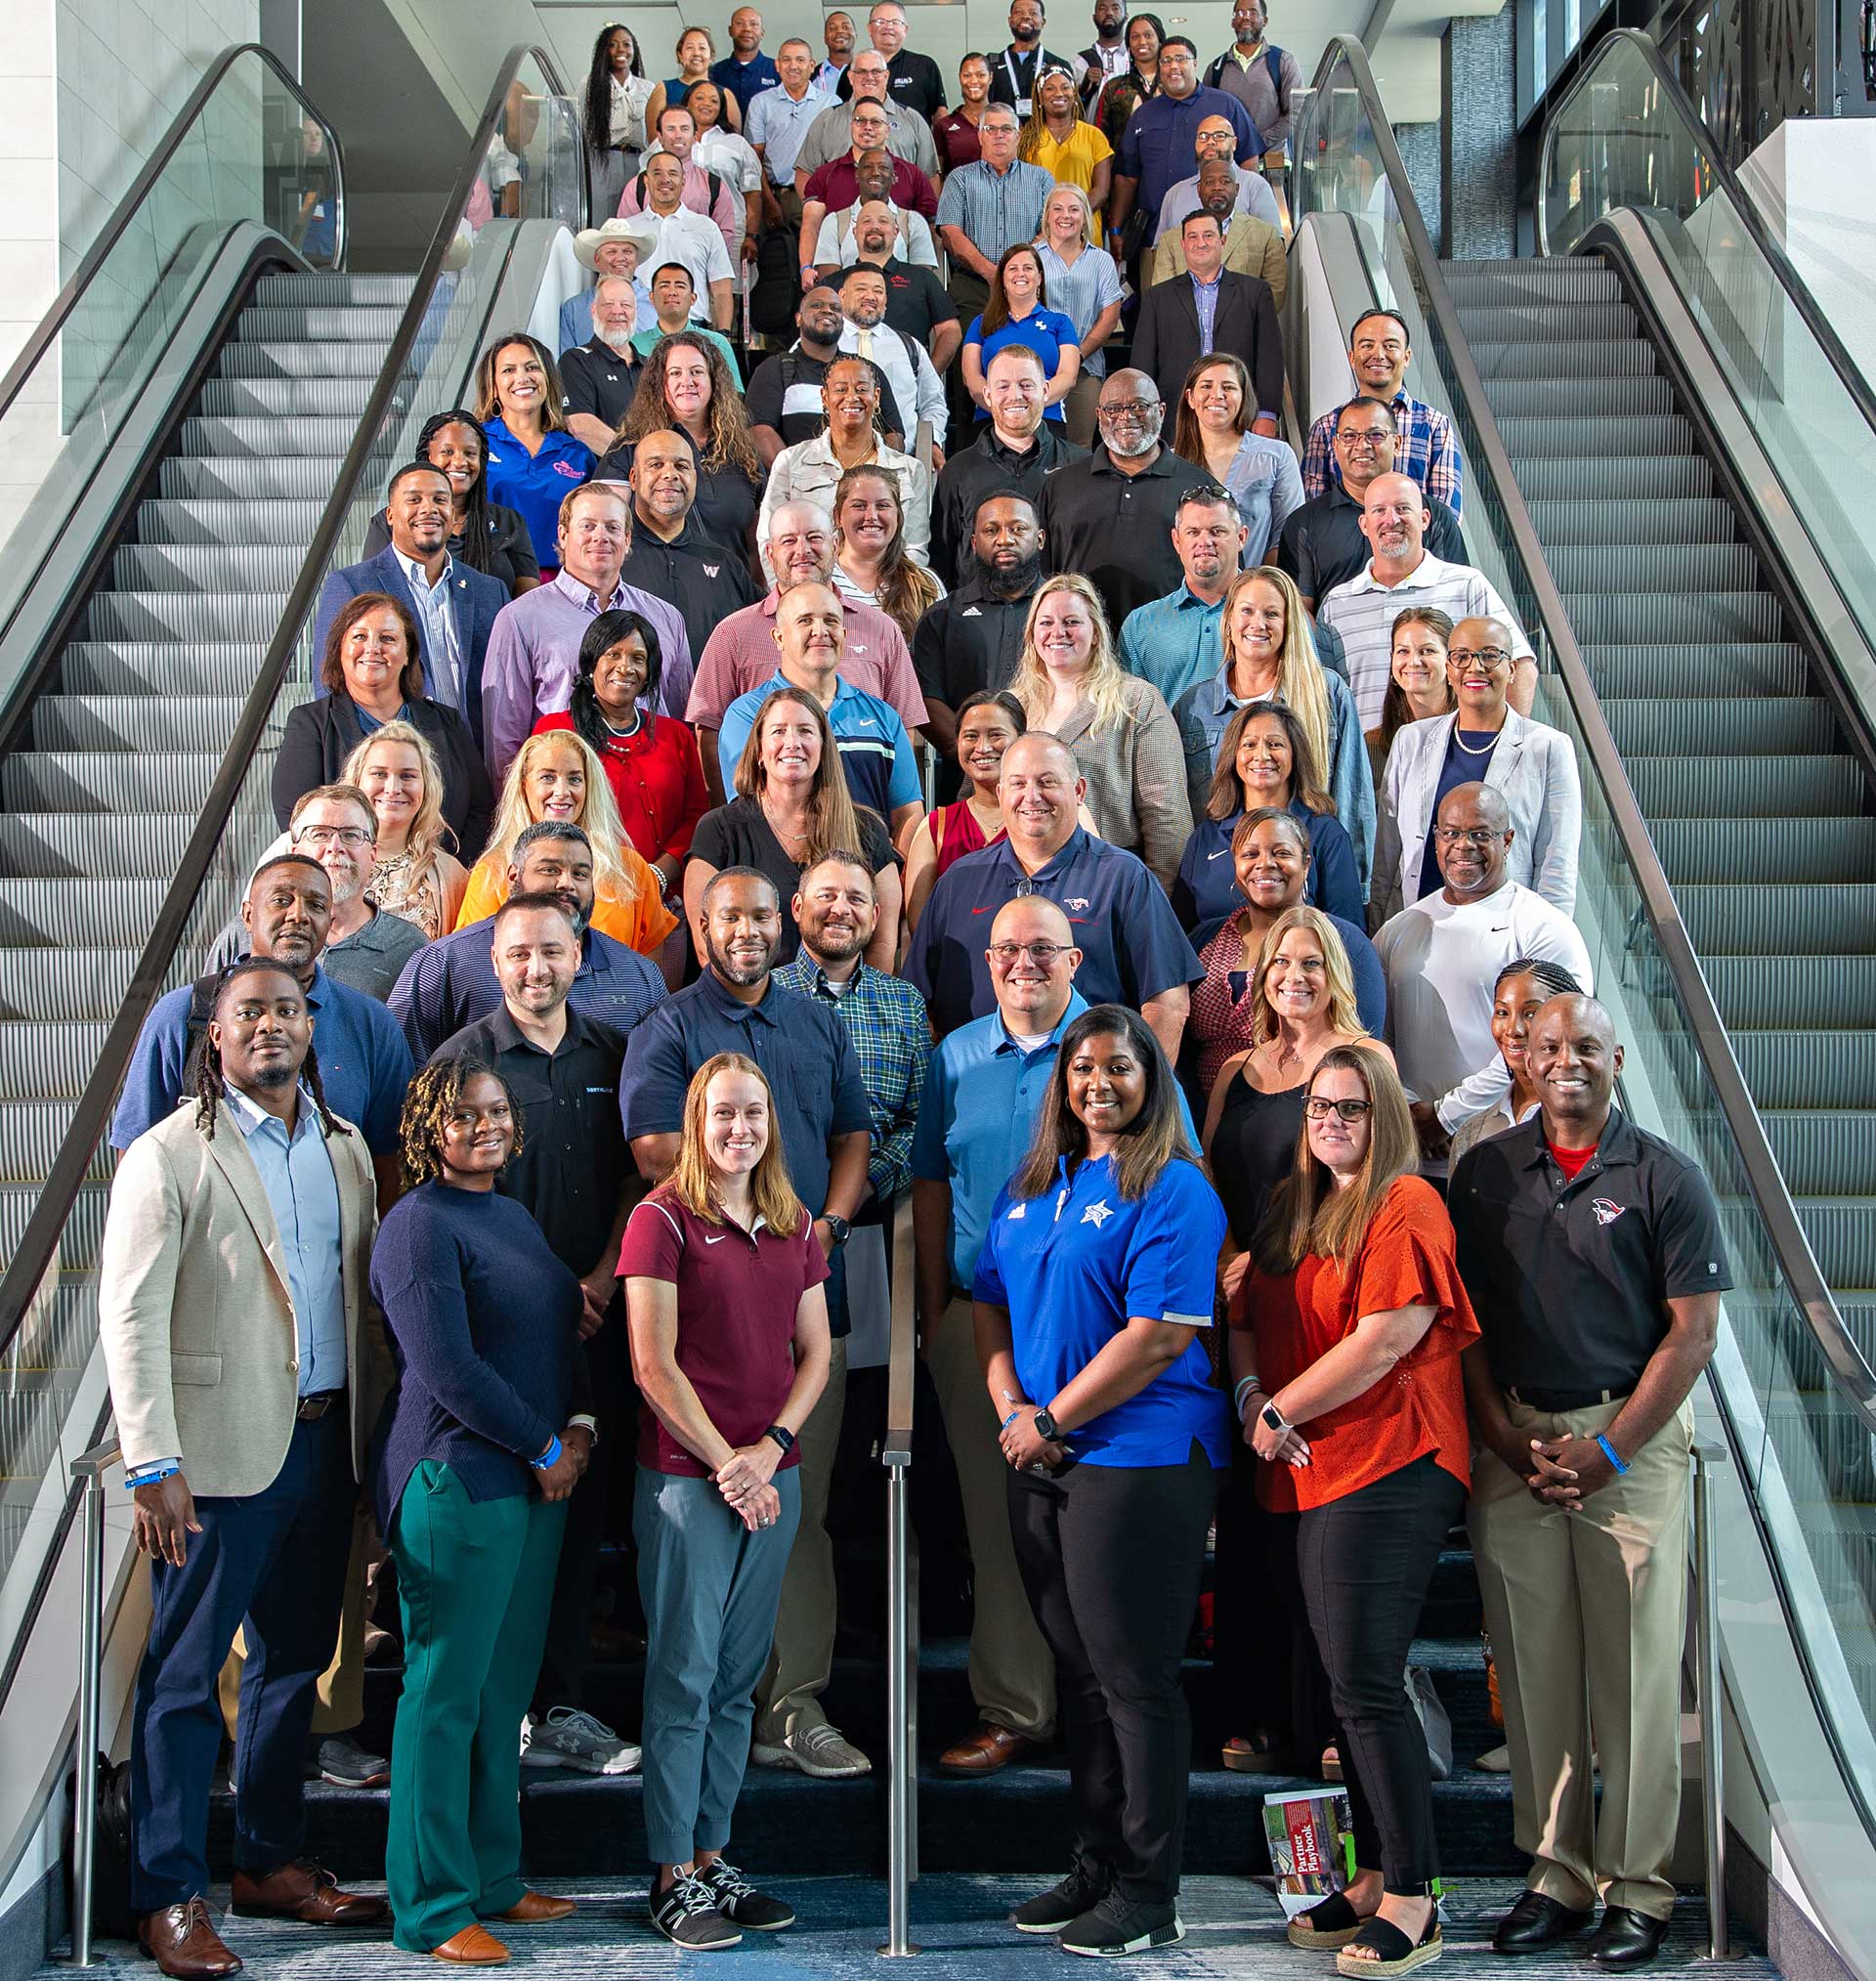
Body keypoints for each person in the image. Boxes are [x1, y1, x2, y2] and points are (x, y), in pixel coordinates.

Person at [101, 960, 389, 1979]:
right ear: (214, 1036)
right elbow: (128, 1312)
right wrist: (154, 1460)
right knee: (184, 1680)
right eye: (247, 1012)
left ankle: (264, 1859)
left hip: (324, 1438)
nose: (269, 1025)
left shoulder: (347, 1147)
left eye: (286, 1010)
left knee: (292, 1662)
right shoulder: (169, 1152)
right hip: (214, 1456)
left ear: (313, 1027)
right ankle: (167, 1893)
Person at [1451, 995, 1728, 1970]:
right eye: (1550, 1045)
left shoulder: (1666, 1176)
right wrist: (1497, 1430)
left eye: (1588, 1048)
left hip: (1631, 1440)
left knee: (1637, 1675)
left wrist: (1608, 1449)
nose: (1567, 1061)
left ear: (1618, 1058)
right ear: (1523, 1056)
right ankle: (1556, 1872)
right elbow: (1464, 1321)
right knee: (1533, 1670)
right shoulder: (1482, 1172)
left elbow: (1692, 1332)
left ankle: (1639, 1887)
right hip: (1517, 1442)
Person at [974, 1003, 1227, 1958]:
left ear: (1150, 1079)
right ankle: (1096, 1861)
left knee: (1134, 1679)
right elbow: (987, 1305)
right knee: (1080, 1677)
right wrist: (1010, 1407)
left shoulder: (1173, 1187)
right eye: (1083, 1070)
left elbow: (1160, 1334)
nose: (1098, 1084)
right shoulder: (1031, 1182)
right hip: (1039, 1454)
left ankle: (1148, 1888)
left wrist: (1051, 1418)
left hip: (1140, 1459)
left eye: (1120, 1068)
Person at [619, 867, 873, 1777]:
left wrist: (826, 1226)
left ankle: (792, 1703)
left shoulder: (816, 1021)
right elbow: (654, 1148)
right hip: (701, 1320)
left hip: (804, 1303)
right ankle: (696, 1760)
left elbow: (853, 1134)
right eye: (731, 916)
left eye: (765, 916)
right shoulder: (669, 1028)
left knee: (795, 1517)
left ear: (787, 922)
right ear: (699, 922)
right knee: (706, 1523)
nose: (749, 931)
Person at [1233, 1044, 1476, 1979]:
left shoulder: (1406, 1202)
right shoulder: (1296, 1202)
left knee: (1368, 1680)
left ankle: (1418, 1895)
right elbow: (1249, 1309)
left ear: (1385, 1116)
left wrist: (1283, 1408)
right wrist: (1256, 1393)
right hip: (1304, 1461)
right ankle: (1374, 1873)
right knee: (1341, 1685)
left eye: (1352, 1108)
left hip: (1391, 1457)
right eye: (1320, 1108)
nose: (1332, 1121)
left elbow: (1388, 1339)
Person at [369, 1055, 591, 1961]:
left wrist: (575, 1424)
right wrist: (544, 1445)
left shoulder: (511, 1215)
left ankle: (493, 1874)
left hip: (535, 1486)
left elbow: (559, 1326)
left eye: (497, 1110)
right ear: (429, 1127)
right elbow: (448, 1367)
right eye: (463, 1114)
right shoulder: (416, 1226)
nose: (485, 1124)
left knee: (504, 1696)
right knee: (445, 1696)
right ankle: (429, 1905)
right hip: (456, 1480)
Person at [621, 1054, 830, 1948]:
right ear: (697, 1122)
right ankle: (671, 1871)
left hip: (769, 1476)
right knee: (685, 1677)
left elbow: (814, 1352)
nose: (739, 1129)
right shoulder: (660, 1219)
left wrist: (770, 1449)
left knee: (739, 1682)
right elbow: (652, 1363)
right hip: (687, 1478)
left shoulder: (795, 1222)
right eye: (722, 1115)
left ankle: (714, 1856)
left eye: (754, 1113)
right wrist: (727, 1464)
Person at [426, 892, 637, 1781]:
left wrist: (593, 1283)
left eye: (552, 951)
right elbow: (436, 1197)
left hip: (599, 1317)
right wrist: (546, 1294)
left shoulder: (616, 1051)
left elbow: (644, 1174)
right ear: (495, 959)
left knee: (580, 1514)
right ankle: (491, 1708)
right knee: (501, 1511)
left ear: (579, 955)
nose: (534, 968)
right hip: (498, 1336)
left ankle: (556, 1700)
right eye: (517, 954)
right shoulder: (461, 1060)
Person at [911, 896, 1081, 1777]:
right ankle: (1016, 1702)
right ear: (986, 961)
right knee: (996, 1515)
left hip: (1094, 1325)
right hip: (983, 1323)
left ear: (1074, 961)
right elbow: (932, 1185)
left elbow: (1178, 1170)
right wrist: (937, 1305)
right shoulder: (956, 1055)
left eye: (1043, 948)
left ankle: (1100, 1702)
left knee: (1093, 1521)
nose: (1024, 963)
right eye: (1008, 949)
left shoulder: (1113, 1046)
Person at [110, 856, 413, 1193]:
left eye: (315, 905)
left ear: (330, 920)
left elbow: (391, 1162)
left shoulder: (370, 1023)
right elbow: (138, 1154)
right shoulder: (183, 1014)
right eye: (281, 900)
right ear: (248, 915)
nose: (298, 915)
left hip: (331, 1239)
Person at [907, 732, 1201, 1052]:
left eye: (1047, 782)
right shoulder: (958, 881)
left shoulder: (1123, 877)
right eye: (1018, 784)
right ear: (1001, 792)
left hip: (1090, 1089)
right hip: (980, 1082)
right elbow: (916, 999)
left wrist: (1144, 1088)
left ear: (1079, 791)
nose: (1032, 797)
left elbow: (1167, 1001)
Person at [1373, 784, 1593, 1162]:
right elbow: (1377, 1036)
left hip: (1511, 1149)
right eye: (1452, 833)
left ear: (1507, 841)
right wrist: (1408, 1111)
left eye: (1480, 834)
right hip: (1410, 1146)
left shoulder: (1543, 927)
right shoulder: (1399, 929)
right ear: (1436, 840)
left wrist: (1448, 1115)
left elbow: (1550, 1046)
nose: (1464, 846)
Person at [688, 499, 926, 795]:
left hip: (868, 813)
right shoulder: (733, 633)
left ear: (836, 545)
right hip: (767, 815)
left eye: (814, 537)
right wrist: (731, 817)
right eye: (789, 541)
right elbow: (710, 732)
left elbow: (905, 727)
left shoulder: (881, 628)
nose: (803, 550)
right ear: (770, 554)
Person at [389, 822, 668, 1060]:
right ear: (513, 877)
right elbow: (398, 1072)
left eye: (580, 874)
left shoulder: (639, 977)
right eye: (550, 870)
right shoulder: (445, 963)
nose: (567, 883)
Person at [1372, 615, 1581, 924]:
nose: (1475, 667)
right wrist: (1379, 930)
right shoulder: (1411, 739)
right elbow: (1387, 856)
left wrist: (1546, 945)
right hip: (1418, 925)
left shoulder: (1548, 747)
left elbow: (1557, 865)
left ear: (1511, 669)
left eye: (1490, 655)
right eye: (1462, 656)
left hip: (1507, 931)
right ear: (1449, 670)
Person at [481, 482, 695, 783]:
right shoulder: (519, 619)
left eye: (612, 527)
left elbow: (680, 719)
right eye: (588, 526)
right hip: (563, 798)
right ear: (563, 535)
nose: (601, 536)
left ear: (628, 538)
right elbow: (503, 736)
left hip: (652, 794)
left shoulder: (666, 618)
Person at [1173, 565, 1374, 881]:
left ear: (1288, 623)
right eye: (1247, 611)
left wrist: (1354, 886)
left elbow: (1352, 800)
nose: (1258, 624)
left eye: (1271, 614)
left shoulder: (1327, 694)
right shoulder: (1193, 706)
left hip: (1310, 879)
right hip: (1219, 879)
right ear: (1229, 621)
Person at [687, 689, 901, 970]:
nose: (792, 743)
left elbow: (883, 942)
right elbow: (708, 948)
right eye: (778, 731)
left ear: (823, 748)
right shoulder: (719, 829)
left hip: (843, 1008)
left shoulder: (865, 829)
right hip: (748, 1006)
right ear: (759, 751)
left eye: (805, 731)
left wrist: (855, 1007)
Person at [277, 591, 494, 862]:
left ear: (407, 655)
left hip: (440, 881)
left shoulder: (446, 722)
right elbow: (297, 817)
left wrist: (445, 870)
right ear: (339, 650)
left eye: (388, 638)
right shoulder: (310, 723)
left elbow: (480, 808)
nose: (373, 648)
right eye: (359, 637)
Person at [1009, 573, 1191, 889]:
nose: (1058, 632)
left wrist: (1156, 900)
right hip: (1021, 884)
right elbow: (979, 801)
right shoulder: (1012, 707)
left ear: (1095, 633)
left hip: (1110, 884)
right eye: (1046, 623)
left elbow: (1166, 815)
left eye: (1071, 622)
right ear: (1031, 634)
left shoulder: (1136, 701)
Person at [1186, 809, 1385, 1095]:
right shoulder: (1205, 938)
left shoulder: (1344, 940)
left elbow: (1363, 1047)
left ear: (1306, 864)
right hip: (1202, 1114)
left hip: (1298, 1109)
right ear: (1235, 865)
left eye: (1281, 853)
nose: (1265, 864)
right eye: (1250, 854)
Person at [1317, 474, 1533, 731]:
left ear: (1424, 519)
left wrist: (1508, 746)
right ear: (1364, 524)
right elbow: (1323, 694)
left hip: (1453, 758)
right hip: (1367, 761)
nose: (1391, 520)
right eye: (1379, 511)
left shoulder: (1466, 585)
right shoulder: (1337, 603)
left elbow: (1519, 667)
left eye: (1403, 508)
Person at [315, 462, 510, 741]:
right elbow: (329, 682)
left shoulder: (491, 591)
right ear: (391, 515)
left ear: (453, 515)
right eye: (414, 499)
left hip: (471, 759)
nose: (429, 508)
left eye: (440, 499)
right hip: (390, 764)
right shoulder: (351, 585)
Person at [713, 581, 922, 840]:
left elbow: (908, 814)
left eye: (831, 621)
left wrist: (892, 869)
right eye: (805, 621)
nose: (820, 631)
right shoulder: (746, 714)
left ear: (845, 635)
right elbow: (748, 809)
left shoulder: (884, 717)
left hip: (869, 874)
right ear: (779, 638)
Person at [533, 609, 709, 900]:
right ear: (592, 663)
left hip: (664, 900)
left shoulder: (675, 735)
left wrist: (658, 877)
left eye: (637, 658)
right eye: (613, 654)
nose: (625, 667)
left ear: (649, 673)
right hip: (587, 897)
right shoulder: (558, 731)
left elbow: (696, 816)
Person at [457, 729, 678, 957]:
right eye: (548, 777)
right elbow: (474, 966)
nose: (562, 792)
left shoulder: (630, 869)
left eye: (574, 779)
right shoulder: (492, 872)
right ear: (524, 786)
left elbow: (648, 976)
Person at [1039, 368, 1213, 632]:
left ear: (1162, 411)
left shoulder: (1200, 488)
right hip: (1079, 645)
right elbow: (1041, 575)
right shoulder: (1060, 486)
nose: (1126, 417)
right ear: (1099, 416)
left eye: (1139, 406)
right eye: (1113, 409)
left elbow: (1221, 579)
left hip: (1172, 644)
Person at [1175, 702, 1362, 933]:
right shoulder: (1205, 837)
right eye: (1249, 745)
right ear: (1234, 755)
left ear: (1295, 755)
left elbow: (1348, 934)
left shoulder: (1326, 834)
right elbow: (1181, 934)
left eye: (1275, 744)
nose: (1262, 755)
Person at [1277, 398, 1463, 613]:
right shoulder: (1303, 523)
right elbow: (1299, 613)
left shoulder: (1432, 515)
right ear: (1335, 446)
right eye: (1349, 436)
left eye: (1375, 435)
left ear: (1396, 443)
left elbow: (1456, 593)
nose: (1362, 445)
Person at [931, 343, 1086, 583]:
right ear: (988, 395)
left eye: (1026, 385)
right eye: (1003, 386)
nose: (1015, 395)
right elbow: (942, 561)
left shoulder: (1080, 465)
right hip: (978, 617)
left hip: (1056, 616)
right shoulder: (957, 471)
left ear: (1045, 391)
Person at [761, 361, 935, 571]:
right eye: (841, 389)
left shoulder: (909, 470)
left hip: (885, 597)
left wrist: (891, 597)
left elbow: (914, 549)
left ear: (876, 396)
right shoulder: (790, 462)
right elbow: (769, 539)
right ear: (825, 397)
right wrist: (791, 596)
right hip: (810, 595)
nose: (852, 397)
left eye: (861, 389)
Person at [914, 495, 1045, 771]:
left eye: (1018, 529)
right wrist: (976, 753)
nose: (1005, 540)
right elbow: (925, 699)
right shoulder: (942, 618)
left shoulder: (1062, 613)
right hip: (967, 779)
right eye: (991, 530)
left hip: (1047, 770)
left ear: (1040, 539)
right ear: (974, 543)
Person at [605, 332, 764, 557]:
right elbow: (607, 525)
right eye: (675, 373)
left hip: (730, 587)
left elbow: (758, 539)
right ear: (661, 383)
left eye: (697, 372)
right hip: (652, 586)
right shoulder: (630, 446)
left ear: (714, 380)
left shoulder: (741, 451)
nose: (686, 381)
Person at [268, 786, 426, 1002]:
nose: (335, 846)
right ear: (295, 852)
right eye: (320, 834)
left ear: (373, 855)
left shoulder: (411, 947)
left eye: (351, 835)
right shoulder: (250, 933)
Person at [362, 409, 542, 598]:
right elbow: (374, 593)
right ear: (428, 456)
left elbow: (527, 600)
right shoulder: (391, 521)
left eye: (470, 453)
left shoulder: (509, 521)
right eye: (447, 452)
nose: (459, 462)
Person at [1132, 212, 1282, 439]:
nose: (1200, 243)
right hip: (1176, 417)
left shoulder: (1255, 292)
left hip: (1240, 413)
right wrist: (1144, 414)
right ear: (1183, 244)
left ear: (1222, 241)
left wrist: (1267, 414)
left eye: (1208, 235)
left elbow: (1269, 358)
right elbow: (1143, 363)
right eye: (1192, 237)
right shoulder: (1157, 297)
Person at [619, 427, 762, 660]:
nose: (670, 474)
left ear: (695, 479)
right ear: (634, 478)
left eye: (681, 466)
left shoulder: (725, 563)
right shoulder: (612, 559)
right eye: (656, 465)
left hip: (712, 696)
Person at [1302, 310, 1463, 514]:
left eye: (1390, 346)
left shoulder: (1435, 426)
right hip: (1340, 545)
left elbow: (1446, 516)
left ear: (1406, 357)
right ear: (1352, 357)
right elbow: (1314, 512)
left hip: (1415, 544)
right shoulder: (1326, 427)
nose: (1378, 355)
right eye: (1367, 345)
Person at [1108, 36, 1260, 249]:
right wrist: (1116, 228)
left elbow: (1249, 162)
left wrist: (1243, 216)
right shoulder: (1143, 115)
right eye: (1166, 61)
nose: (1173, 66)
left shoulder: (1226, 105)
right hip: (1155, 236)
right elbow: (1127, 177)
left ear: (1195, 63)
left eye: (1180, 59)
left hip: (1218, 236)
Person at [1116, 482, 1248, 713]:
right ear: (1177, 541)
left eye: (1217, 531)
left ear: (1241, 537)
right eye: (1193, 532)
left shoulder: (1273, 615)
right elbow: (1129, 717)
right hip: (1169, 749)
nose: (1204, 542)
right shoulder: (1141, 625)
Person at [1446, 958, 1585, 1166]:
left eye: (1531, 1014)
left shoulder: (1588, 1125)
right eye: (1502, 1013)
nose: (1513, 1030)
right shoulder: (1472, 1134)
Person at [905, 688, 1026, 924]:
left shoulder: (1040, 818)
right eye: (970, 736)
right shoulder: (936, 826)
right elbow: (918, 926)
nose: (982, 748)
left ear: (1021, 740)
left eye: (996, 735)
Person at [476, 334, 594, 573]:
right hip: (494, 578)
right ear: (493, 386)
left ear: (548, 378)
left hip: (563, 582)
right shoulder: (476, 444)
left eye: (532, 367)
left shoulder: (577, 453)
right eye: (509, 370)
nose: (522, 378)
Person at [344, 724, 471, 943]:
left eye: (407, 776)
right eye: (379, 774)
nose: (393, 788)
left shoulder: (452, 875)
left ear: (426, 787)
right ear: (357, 780)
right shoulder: (315, 853)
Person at [935, 105, 1054, 330]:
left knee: (1027, 356)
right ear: (979, 135)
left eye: (1006, 128)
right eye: (990, 128)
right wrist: (992, 273)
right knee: (970, 358)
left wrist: (1017, 271)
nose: (999, 134)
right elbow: (951, 234)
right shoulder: (959, 179)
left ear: (1018, 135)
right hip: (973, 285)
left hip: (1027, 284)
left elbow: (1049, 232)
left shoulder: (1041, 179)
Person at [1171, 354, 1300, 560]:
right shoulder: (1170, 462)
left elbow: (1288, 535)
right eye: (1206, 386)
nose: (1217, 395)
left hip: (1257, 586)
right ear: (1190, 398)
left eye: (1228, 387)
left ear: (1243, 397)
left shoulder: (1277, 456)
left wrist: (1260, 586)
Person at [746, 285, 897, 461]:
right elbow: (759, 432)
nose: (827, 310)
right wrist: (799, 476)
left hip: (862, 484)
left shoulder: (868, 371)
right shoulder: (774, 369)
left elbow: (894, 434)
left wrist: (871, 472)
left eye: (835, 308)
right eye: (817, 305)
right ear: (798, 319)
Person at [1034, 182, 1125, 446]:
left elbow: (1109, 317)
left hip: (1086, 368)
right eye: (1058, 209)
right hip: (1038, 369)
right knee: (1037, 445)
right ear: (1047, 216)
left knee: (1079, 447)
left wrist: (1077, 354)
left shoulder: (1101, 261)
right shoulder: (1031, 256)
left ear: (1084, 216)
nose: (1066, 216)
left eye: (1074, 209)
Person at [961, 242, 1082, 424]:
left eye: (1028, 268)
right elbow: (971, 377)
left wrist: (1030, 408)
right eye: (1013, 268)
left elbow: (1068, 376)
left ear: (1039, 277)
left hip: (1046, 419)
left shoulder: (1061, 323)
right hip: (991, 420)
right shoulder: (981, 323)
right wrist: (1004, 409)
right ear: (1002, 278)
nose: (1021, 274)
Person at [799, 120, 939, 277]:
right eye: (867, 167)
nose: (875, 172)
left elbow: (922, 280)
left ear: (894, 178)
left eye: (883, 167)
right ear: (857, 176)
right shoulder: (835, 222)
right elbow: (830, 281)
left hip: (902, 298)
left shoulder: (913, 222)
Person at [834, 261, 948, 452]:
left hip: (902, 463)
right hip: (835, 462)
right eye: (861, 289)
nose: (870, 296)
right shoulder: (821, 345)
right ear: (842, 296)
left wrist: (930, 443)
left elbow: (933, 402)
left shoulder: (909, 346)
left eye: (878, 291)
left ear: (885, 300)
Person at [1148, 155, 1287, 307]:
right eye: (1209, 182)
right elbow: (1163, 296)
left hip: (1245, 328)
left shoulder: (1266, 235)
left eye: (1225, 181)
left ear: (1237, 189)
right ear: (1199, 190)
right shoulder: (1171, 240)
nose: (1217, 187)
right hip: (1187, 328)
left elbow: (1275, 293)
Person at [622, 155, 737, 332]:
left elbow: (721, 288)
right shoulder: (628, 228)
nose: (665, 180)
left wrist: (724, 335)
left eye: (673, 173)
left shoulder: (706, 227)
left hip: (693, 326)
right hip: (639, 329)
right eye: (657, 173)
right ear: (646, 181)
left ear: (683, 181)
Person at [830, 462, 944, 637]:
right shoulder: (818, 582)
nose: (871, 516)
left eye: (882, 506)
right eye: (859, 506)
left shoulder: (926, 585)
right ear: (838, 517)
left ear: (898, 516)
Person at [800, 48, 943, 182]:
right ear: (850, 77)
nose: (869, 77)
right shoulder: (826, 119)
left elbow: (930, 176)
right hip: (840, 208)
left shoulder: (913, 119)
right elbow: (805, 171)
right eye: (861, 72)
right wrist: (815, 206)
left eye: (876, 72)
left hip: (900, 208)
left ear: (886, 76)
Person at [747, 36, 831, 258]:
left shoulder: (830, 103)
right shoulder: (761, 102)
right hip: (774, 196)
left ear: (812, 65)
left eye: (800, 60)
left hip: (816, 198)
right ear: (777, 65)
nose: (793, 66)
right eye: (786, 60)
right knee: (776, 269)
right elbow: (754, 157)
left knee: (814, 265)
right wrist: (768, 200)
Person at [556, 216, 661, 381]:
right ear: (597, 260)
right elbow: (566, 366)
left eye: (627, 251)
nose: (620, 258)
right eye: (612, 251)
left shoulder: (657, 304)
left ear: (637, 260)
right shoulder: (574, 308)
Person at [1150, 109, 1284, 237]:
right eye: (1203, 137)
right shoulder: (1175, 194)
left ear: (1234, 143)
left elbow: (1274, 245)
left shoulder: (1256, 186)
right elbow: (1160, 250)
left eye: (1219, 136)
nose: (1210, 142)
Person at [1201, 0, 1300, 169]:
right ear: (1233, 22)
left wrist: (1256, 143)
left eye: (1253, 12)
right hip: (1229, 167)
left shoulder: (1282, 61)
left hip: (1273, 166)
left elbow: (1297, 113)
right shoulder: (1216, 68)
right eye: (1239, 13)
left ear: (1265, 21)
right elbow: (1206, 116)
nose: (1245, 17)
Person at [1366, 607, 1455, 789]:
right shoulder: (1370, 745)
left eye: (1427, 651)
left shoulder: (1471, 738)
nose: (1414, 662)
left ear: (1451, 659)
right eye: (1403, 651)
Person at [1017, 62, 1112, 222]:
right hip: (1040, 230)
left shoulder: (1094, 136)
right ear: (1040, 96)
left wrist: (1072, 218)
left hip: (1084, 229)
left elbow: (1101, 191)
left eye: (1065, 87)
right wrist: (1050, 222)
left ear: (1074, 93)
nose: (1058, 93)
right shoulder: (1026, 138)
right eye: (1049, 88)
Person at [559, 277, 645, 454]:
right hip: (603, 476)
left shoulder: (652, 365)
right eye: (608, 304)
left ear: (636, 312)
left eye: (626, 305)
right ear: (593, 311)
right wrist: (637, 462)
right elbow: (581, 426)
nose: (617, 311)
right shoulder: (576, 360)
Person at [580, 23, 654, 221]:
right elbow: (585, 128)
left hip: (638, 159)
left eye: (627, 44)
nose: (621, 50)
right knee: (602, 220)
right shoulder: (590, 84)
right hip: (603, 160)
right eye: (613, 45)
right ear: (604, 51)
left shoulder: (647, 88)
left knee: (635, 217)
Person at [624, 259, 740, 367]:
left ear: (693, 298)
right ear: (651, 297)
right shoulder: (633, 344)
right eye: (664, 285)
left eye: (680, 286)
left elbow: (732, 388)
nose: (672, 292)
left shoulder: (717, 343)